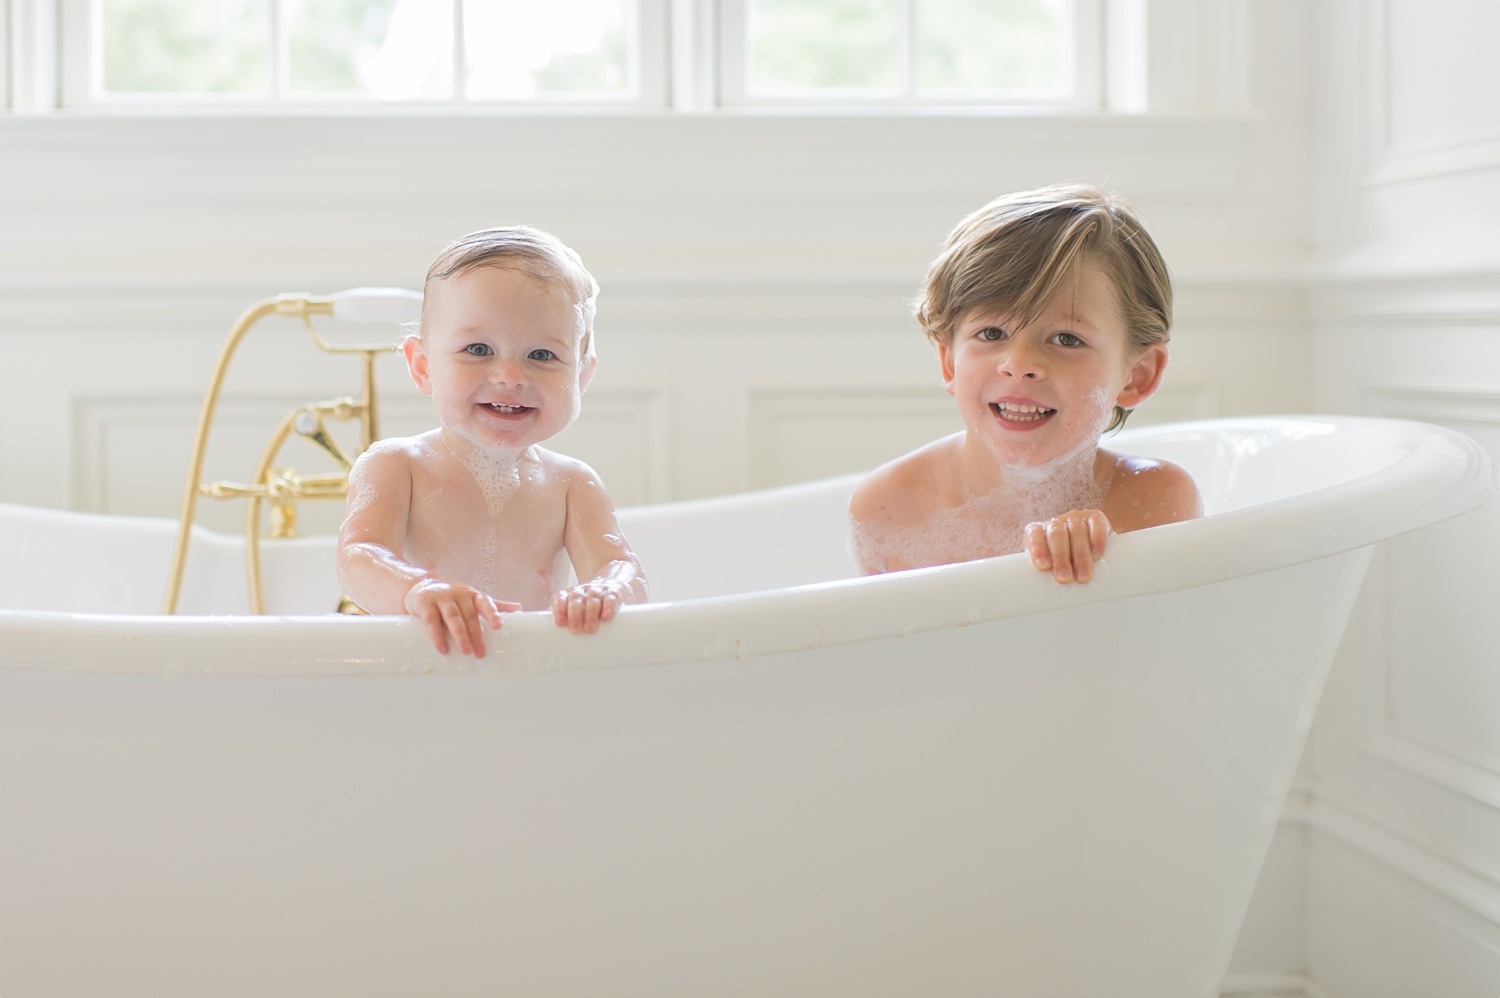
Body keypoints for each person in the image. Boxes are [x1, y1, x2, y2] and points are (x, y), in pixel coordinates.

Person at [848, 184, 1202, 584]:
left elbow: (1164, 643)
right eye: (992, 333)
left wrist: (1109, 566)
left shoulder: (1152, 504)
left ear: (1137, 375)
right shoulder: (887, 509)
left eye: (1067, 339)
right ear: (949, 361)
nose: (1018, 365)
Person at [337, 226, 647, 656]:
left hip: (529, 679)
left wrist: (605, 589)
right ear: (423, 367)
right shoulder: (398, 466)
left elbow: (622, 568)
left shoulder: (572, 484)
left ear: (582, 375)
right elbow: (359, 557)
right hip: (415, 675)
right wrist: (415, 589)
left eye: (541, 355)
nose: (510, 377)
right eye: (478, 349)